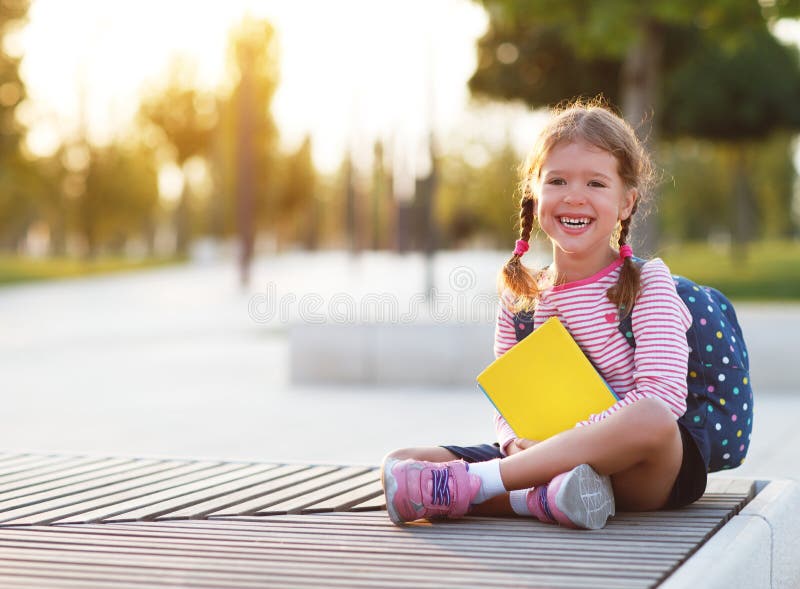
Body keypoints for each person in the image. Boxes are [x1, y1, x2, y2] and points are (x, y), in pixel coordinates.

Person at [381, 99, 708, 530]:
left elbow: (663, 399)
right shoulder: (521, 297)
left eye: (596, 183)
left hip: (640, 475)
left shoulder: (650, 284)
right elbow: (508, 399)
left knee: (651, 416)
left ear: (627, 203)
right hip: (542, 460)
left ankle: (481, 485)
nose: (575, 196)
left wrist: (566, 444)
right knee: (401, 464)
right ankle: (546, 498)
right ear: (535, 195)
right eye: (557, 180)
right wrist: (516, 445)